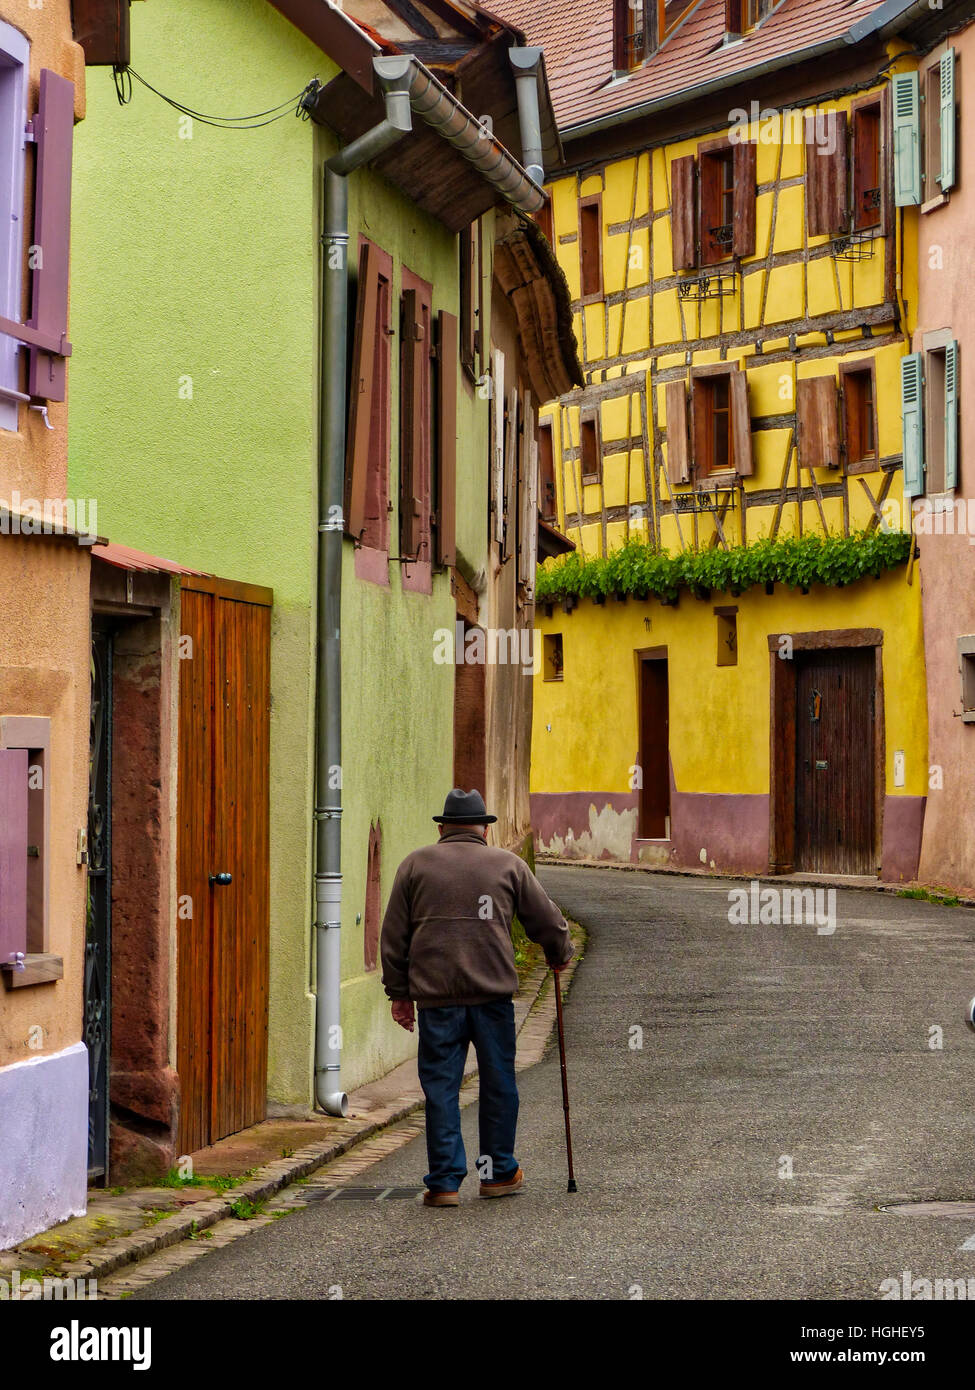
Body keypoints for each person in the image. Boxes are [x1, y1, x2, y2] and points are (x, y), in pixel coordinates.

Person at [380, 788, 574, 1208]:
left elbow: (394, 937)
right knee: (499, 1084)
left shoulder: (415, 865)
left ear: (441, 827)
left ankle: (445, 1182)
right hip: (492, 999)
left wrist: (399, 994)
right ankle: (497, 1173)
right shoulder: (508, 864)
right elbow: (548, 921)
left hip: (437, 1000)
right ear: (485, 829)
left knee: (441, 1089)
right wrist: (559, 955)